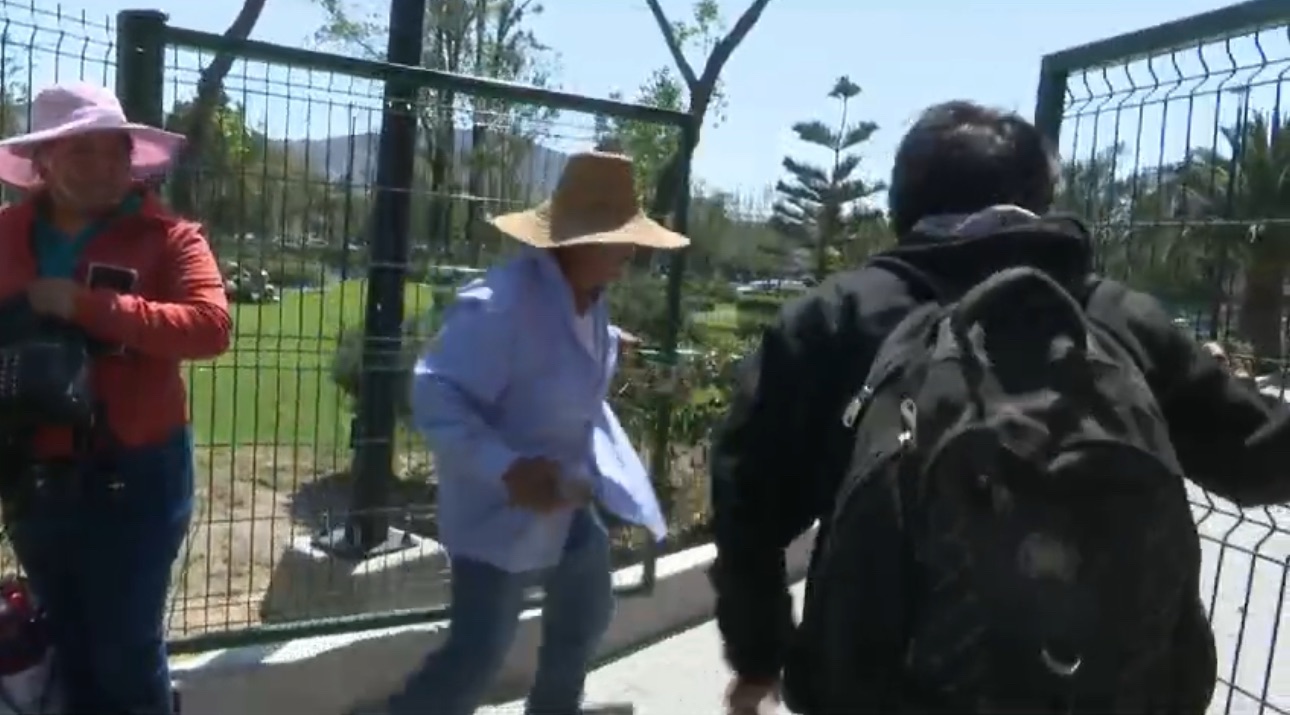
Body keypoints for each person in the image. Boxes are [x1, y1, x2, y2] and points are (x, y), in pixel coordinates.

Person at [709, 100, 1290, 714]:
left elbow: (748, 502)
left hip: (880, 692)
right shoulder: (1119, 320)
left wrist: (757, 654)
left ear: (903, 203)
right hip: (1110, 692)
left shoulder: (839, 317)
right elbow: (1261, 460)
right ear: (1041, 203)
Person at [389, 150, 686, 715]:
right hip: (499, 512)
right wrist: (506, 467)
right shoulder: (499, 307)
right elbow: (435, 392)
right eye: (620, 238)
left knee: (588, 604)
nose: (630, 252)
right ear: (577, 241)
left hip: (564, 500)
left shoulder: (587, 300)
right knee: (477, 657)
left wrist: (614, 345)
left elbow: (558, 350)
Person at [0, 82, 231, 713]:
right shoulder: (5, 234)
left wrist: (89, 307)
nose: (104, 168)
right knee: (65, 637)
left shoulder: (171, 238)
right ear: (42, 161)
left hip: (138, 472)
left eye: (115, 153)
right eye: (82, 152)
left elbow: (210, 328)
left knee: (124, 649)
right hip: (31, 471)